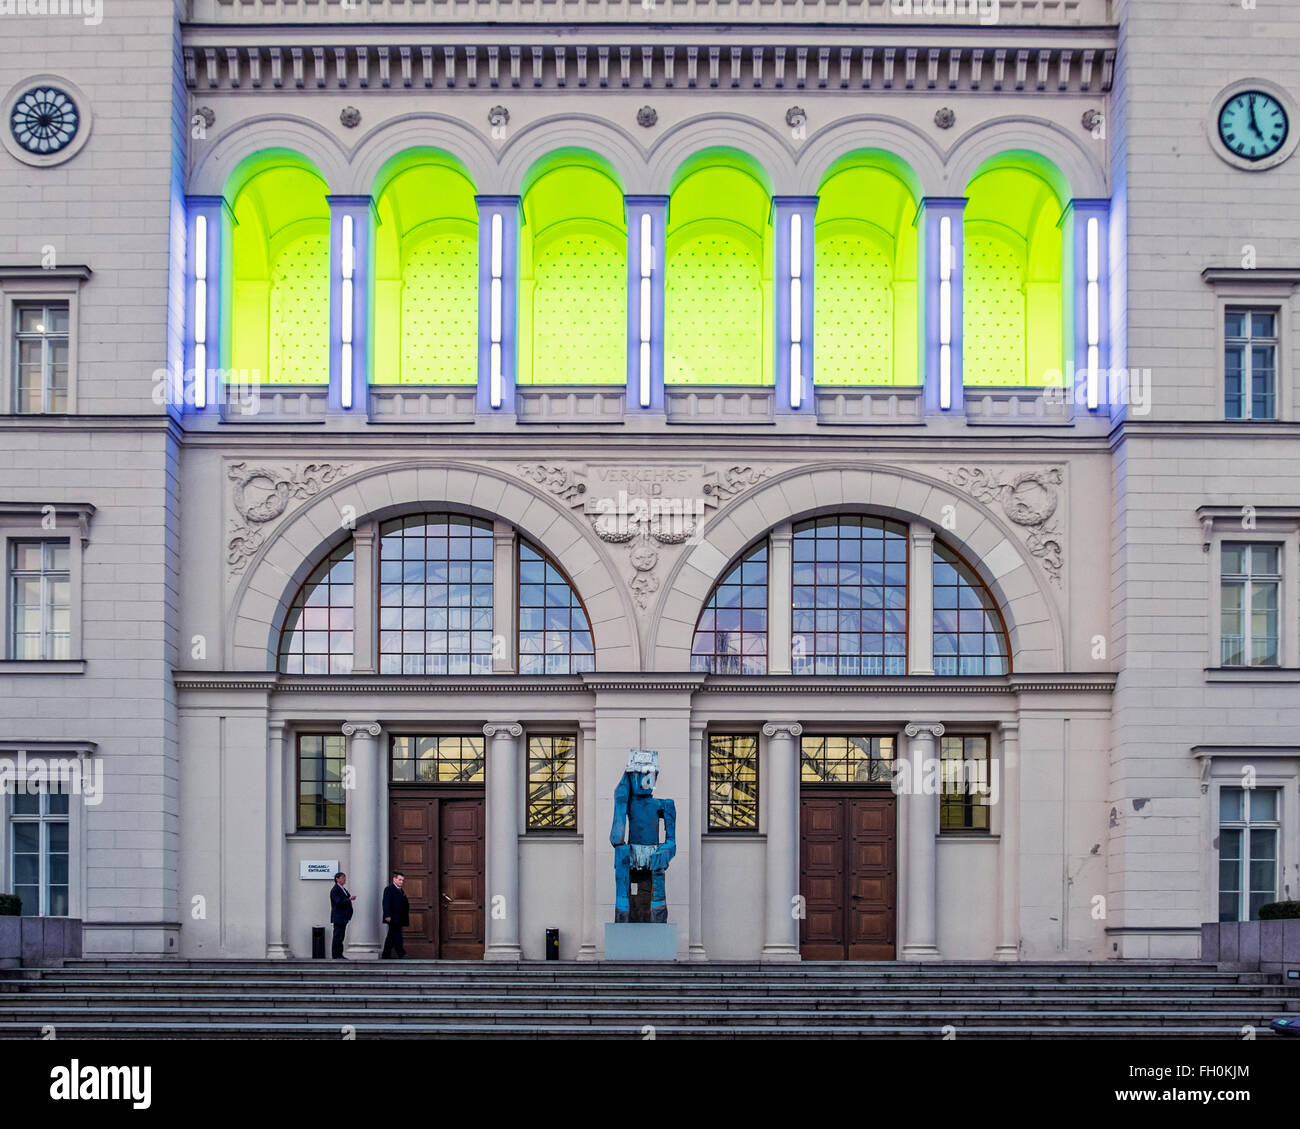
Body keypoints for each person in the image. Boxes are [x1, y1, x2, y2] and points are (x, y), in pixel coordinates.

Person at [381, 872, 409, 959]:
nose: (401, 882)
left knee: (391, 936)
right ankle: (401, 953)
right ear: (394, 879)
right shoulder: (389, 889)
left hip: (399, 917)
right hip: (393, 917)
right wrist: (387, 915)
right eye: (399, 880)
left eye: (402, 880)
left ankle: (385, 954)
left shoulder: (400, 890)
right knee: (397, 935)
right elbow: (386, 903)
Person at [329, 871, 355, 959]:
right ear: (337, 879)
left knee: (341, 936)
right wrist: (349, 899)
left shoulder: (343, 889)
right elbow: (338, 902)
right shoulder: (335, 890)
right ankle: (336, 954)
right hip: (338, 917)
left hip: (343, 917)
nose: (344, 879)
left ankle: (339, 954)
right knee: (338, 936)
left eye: (345, 878)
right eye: (343, 878)